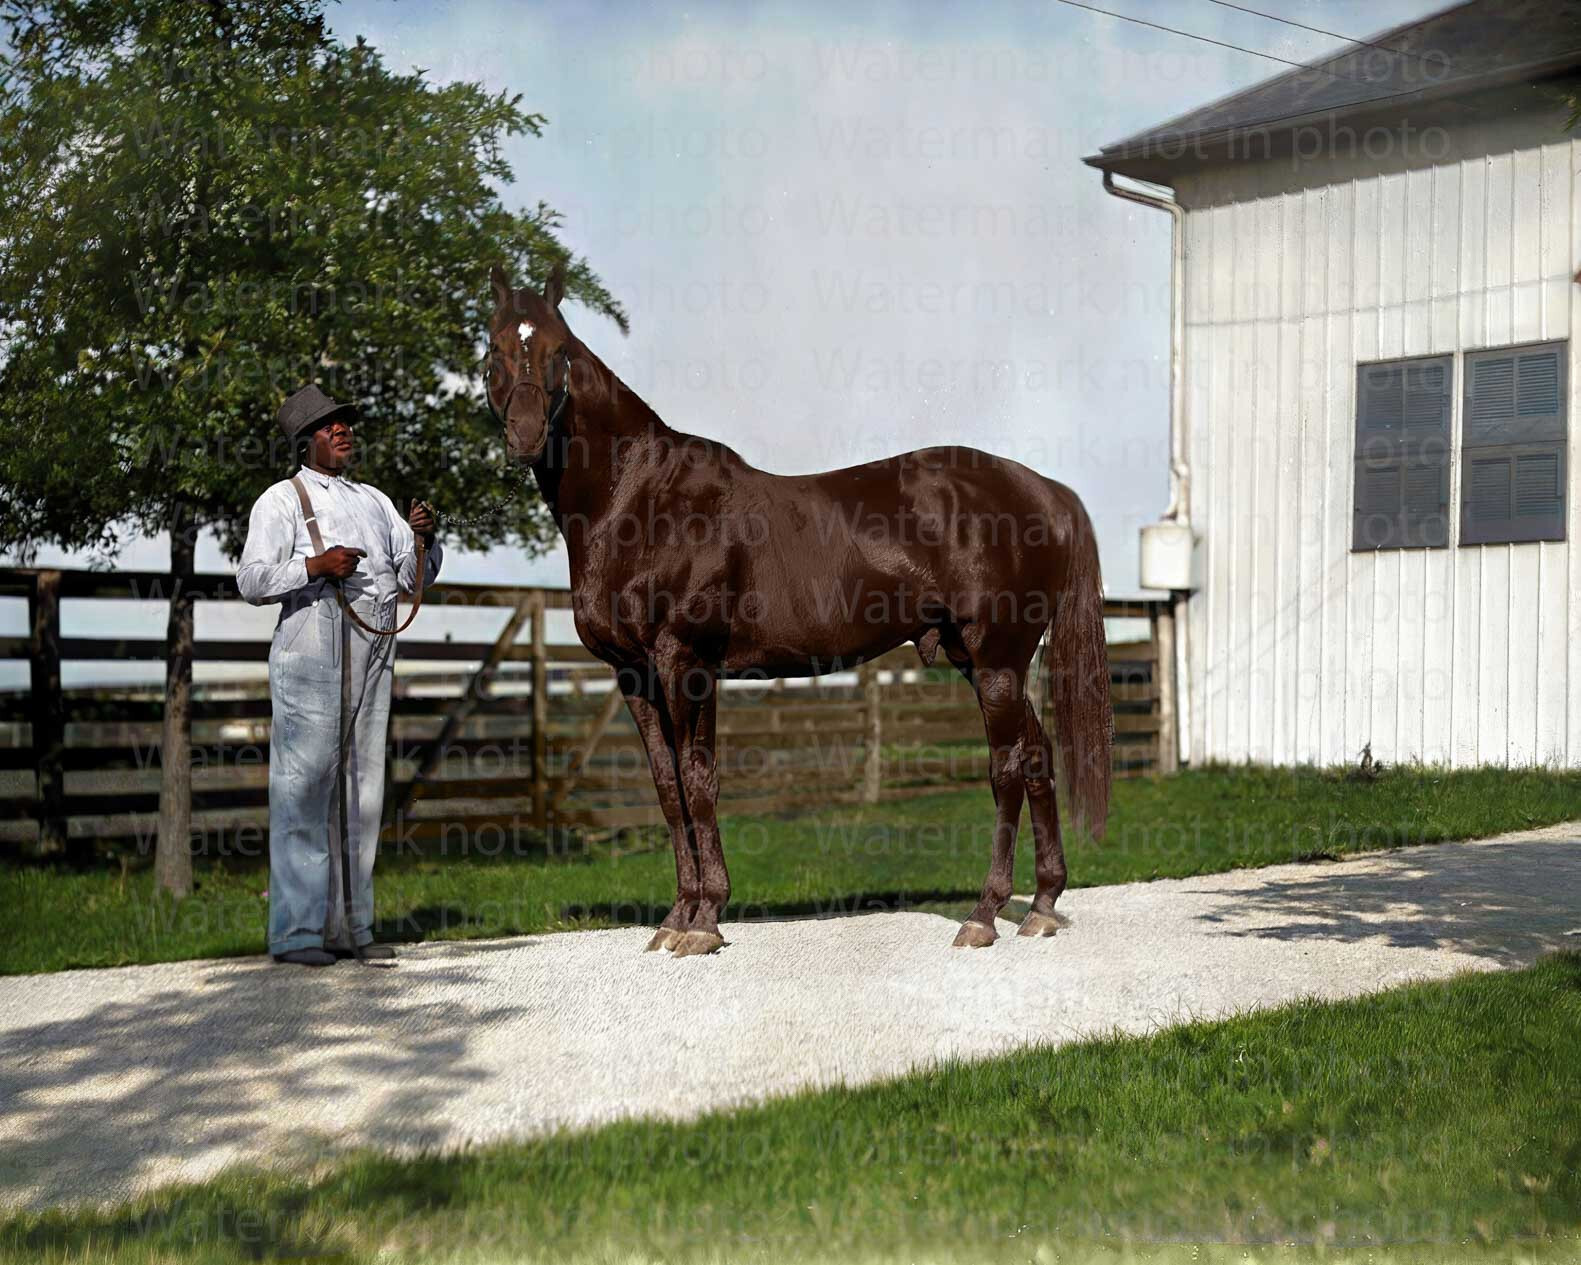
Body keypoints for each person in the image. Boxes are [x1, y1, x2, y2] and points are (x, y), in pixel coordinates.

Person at [237, 385, 442, 966]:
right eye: (330, 426)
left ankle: (352, 929)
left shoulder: (376, 501)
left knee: (362, 788)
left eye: (346, 423)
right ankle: (298, 934)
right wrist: (314, 566)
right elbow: (250, 580)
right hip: (312, 645)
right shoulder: (280, 500)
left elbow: (409, 577)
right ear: (307, 440)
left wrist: (423, 536)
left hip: (374, 645)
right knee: (304, 788)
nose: (343, 431)